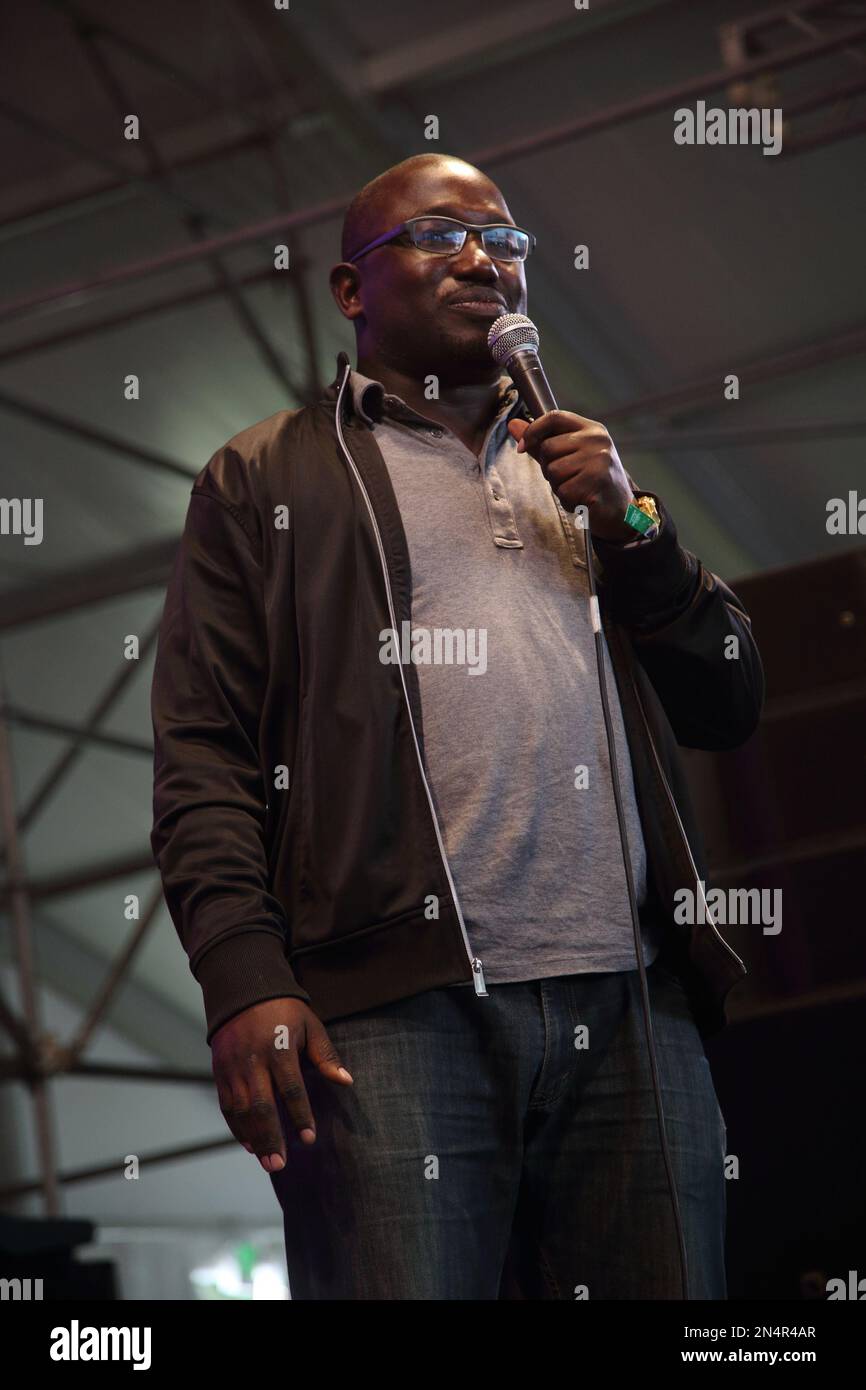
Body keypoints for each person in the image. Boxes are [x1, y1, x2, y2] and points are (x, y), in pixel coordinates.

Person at [150, 153, 764, 1300]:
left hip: (630, 1002)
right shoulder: (264, 478)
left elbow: (728, 703)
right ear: (350, 290)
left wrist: (640, 536)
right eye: (438, 235)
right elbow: (204, 751)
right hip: (386, 1017)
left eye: (507, 241)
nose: (485, 260)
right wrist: (241, 977)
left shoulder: (583, 472)